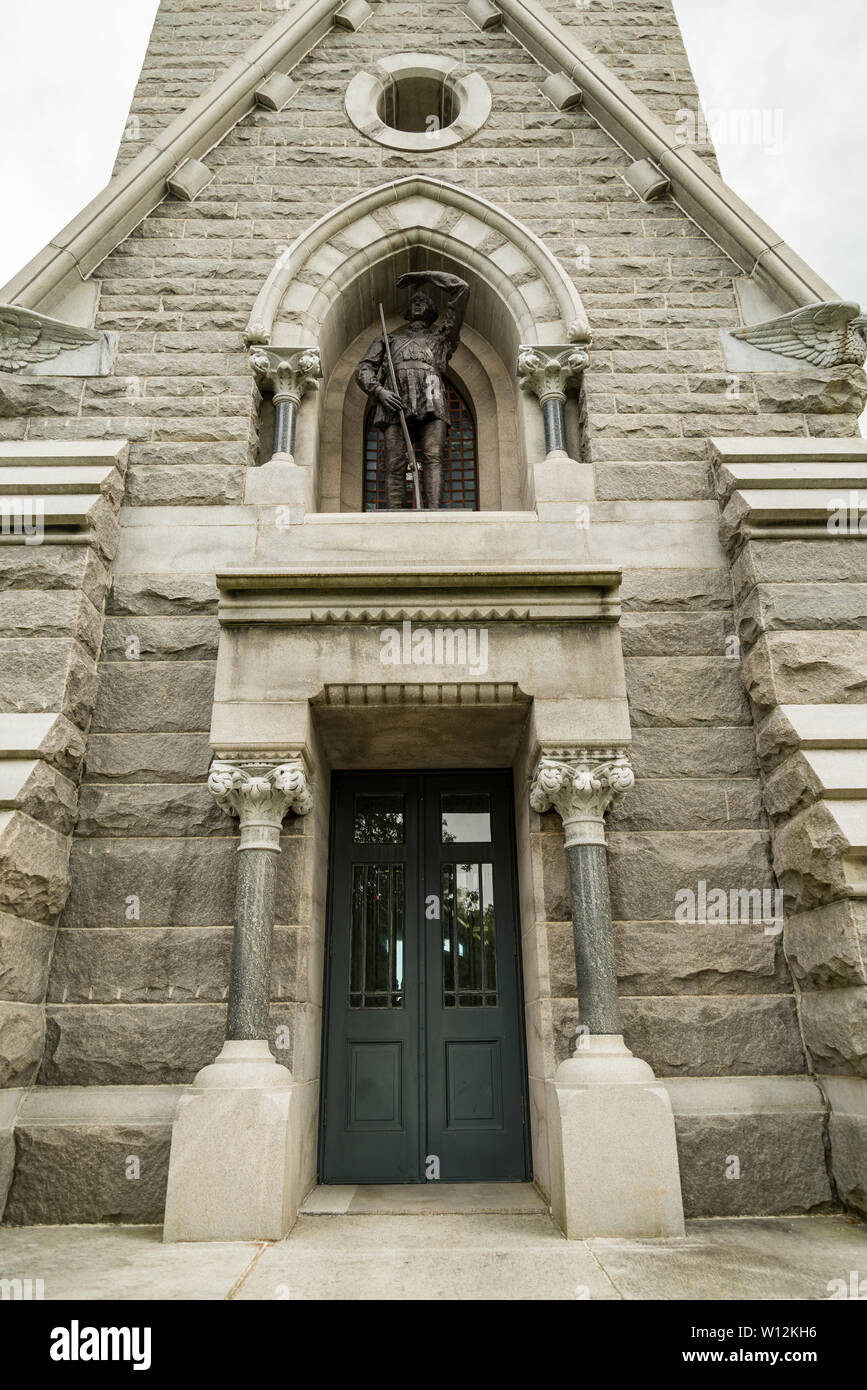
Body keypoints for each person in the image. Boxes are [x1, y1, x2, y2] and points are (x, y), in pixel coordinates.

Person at [355, 270, 470, 509]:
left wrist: (427, 276)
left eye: (423, 301)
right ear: (407, 311)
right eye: (414, 302)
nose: (418, 303)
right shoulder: (388, 340)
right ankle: (395, 513)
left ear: (432, 311)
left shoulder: (443, 339)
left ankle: (435, 510)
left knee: (432, 457)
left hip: (431, 399)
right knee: (395, 462)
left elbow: (462, 289)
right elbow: (364, 369)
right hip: (394, 401)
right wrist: (379, 392)